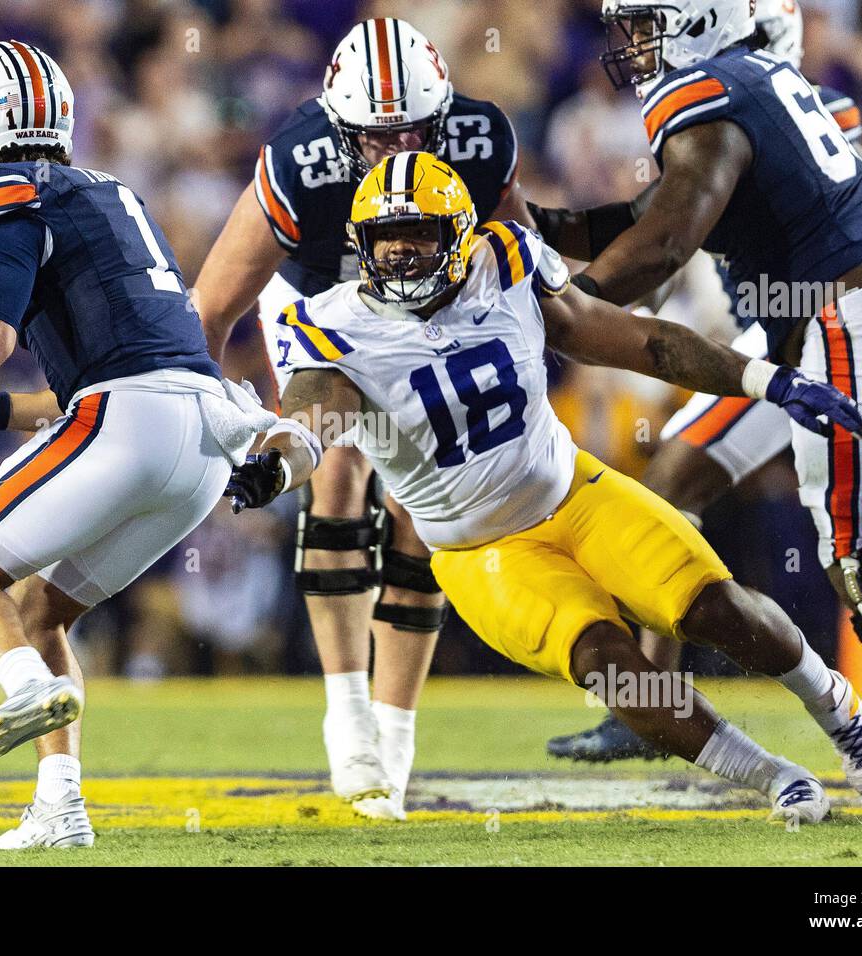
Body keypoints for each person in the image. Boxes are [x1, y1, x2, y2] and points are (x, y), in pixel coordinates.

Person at [227, 150, 862, 824]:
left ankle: (836, 707)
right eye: (387, 238)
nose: (402, 253)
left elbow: (642, 343)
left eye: (421, 235)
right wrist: (279, 465)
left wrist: (767, 381)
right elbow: (313, 416)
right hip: (481, 550)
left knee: (712, 608)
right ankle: (771, 775)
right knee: (606, 661)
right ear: (361, 244)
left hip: (576, 492)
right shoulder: (328, 326)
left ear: (459, 235)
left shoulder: (507, 264)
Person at [533, 0, 862, 816]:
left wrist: (563, 308)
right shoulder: (764, 81)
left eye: (645, 20)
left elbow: (665, 246)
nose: (630, 40)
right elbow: (649, 219)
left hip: (858, 320)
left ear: (700, 18)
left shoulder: (707, 92)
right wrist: (537, 225)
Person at [0, 42, 274, 850]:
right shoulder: (107, 191)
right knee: (38, 608)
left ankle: (21, 686)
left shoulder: (2, 190)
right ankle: (61, 807)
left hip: (127, 420)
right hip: (198, 441)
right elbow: (75, 387)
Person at [194, 17, 536, 821]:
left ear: (443, 116)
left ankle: (396, 729)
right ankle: (347, 716)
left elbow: (518, 256)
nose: (398, 148)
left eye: (415, 132)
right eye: (378, 136)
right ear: (341, 126)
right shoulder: (301, 161)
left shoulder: (482, 139)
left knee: (427, 502)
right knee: (337, 464)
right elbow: (209, 308)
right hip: (322, 304)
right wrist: (203, 421)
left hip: (432, 304)